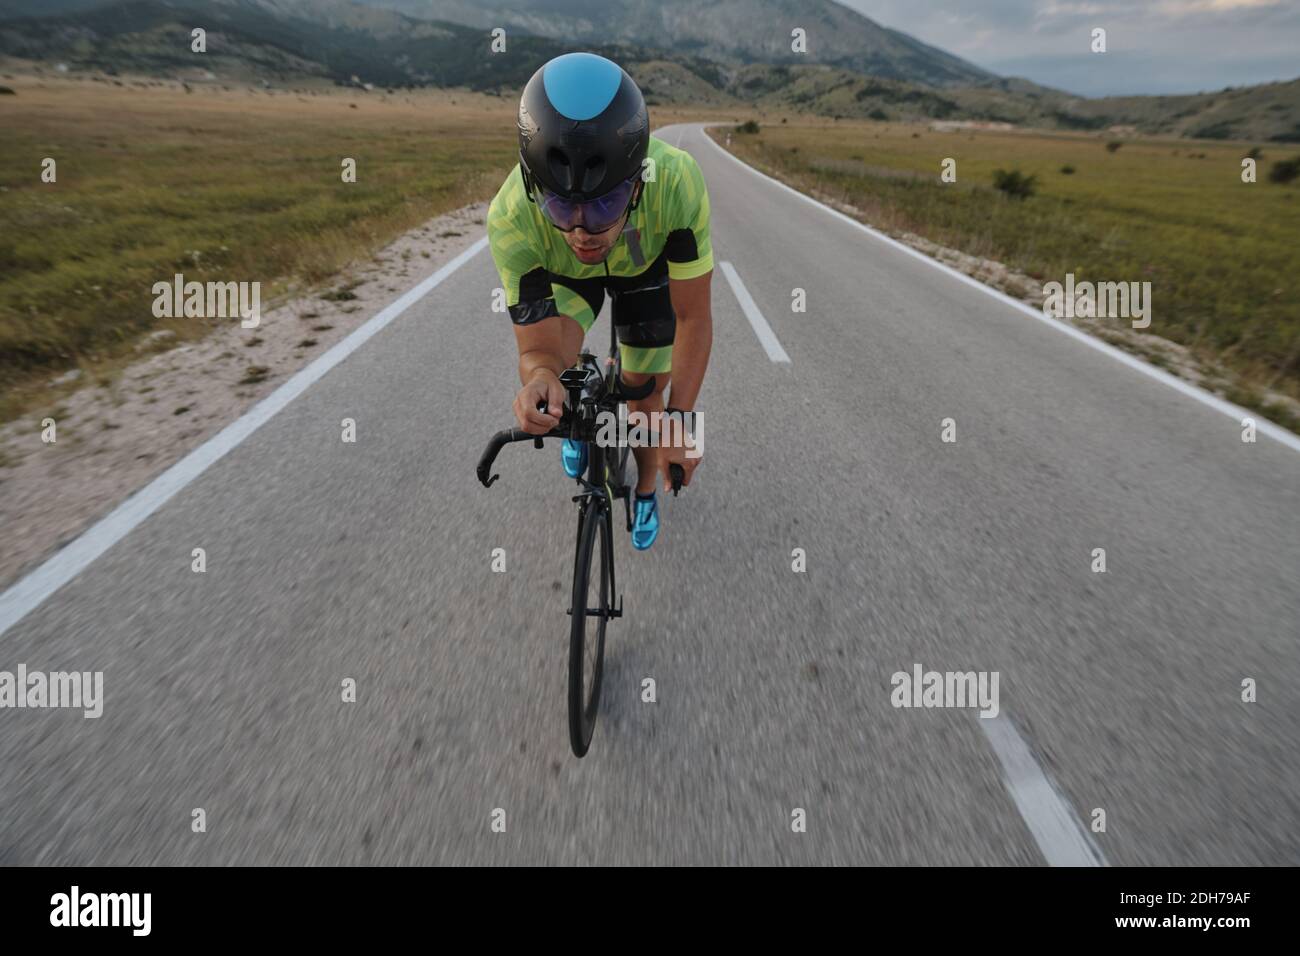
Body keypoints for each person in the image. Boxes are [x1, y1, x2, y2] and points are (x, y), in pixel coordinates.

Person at [487, 52, 713, 550]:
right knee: (560, 367)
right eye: (559, 204)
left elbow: (692, 315)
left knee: (645, 400)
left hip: (646, 270)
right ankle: (572, 410)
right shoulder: (510, 216)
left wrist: (678, 423)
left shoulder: (675, 181)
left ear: (637, 183)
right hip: (567, 277)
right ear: (531, 184)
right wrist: (543, 379)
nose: (582, 229)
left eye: (606, 202)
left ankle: (646, 491)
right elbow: (537, 352)